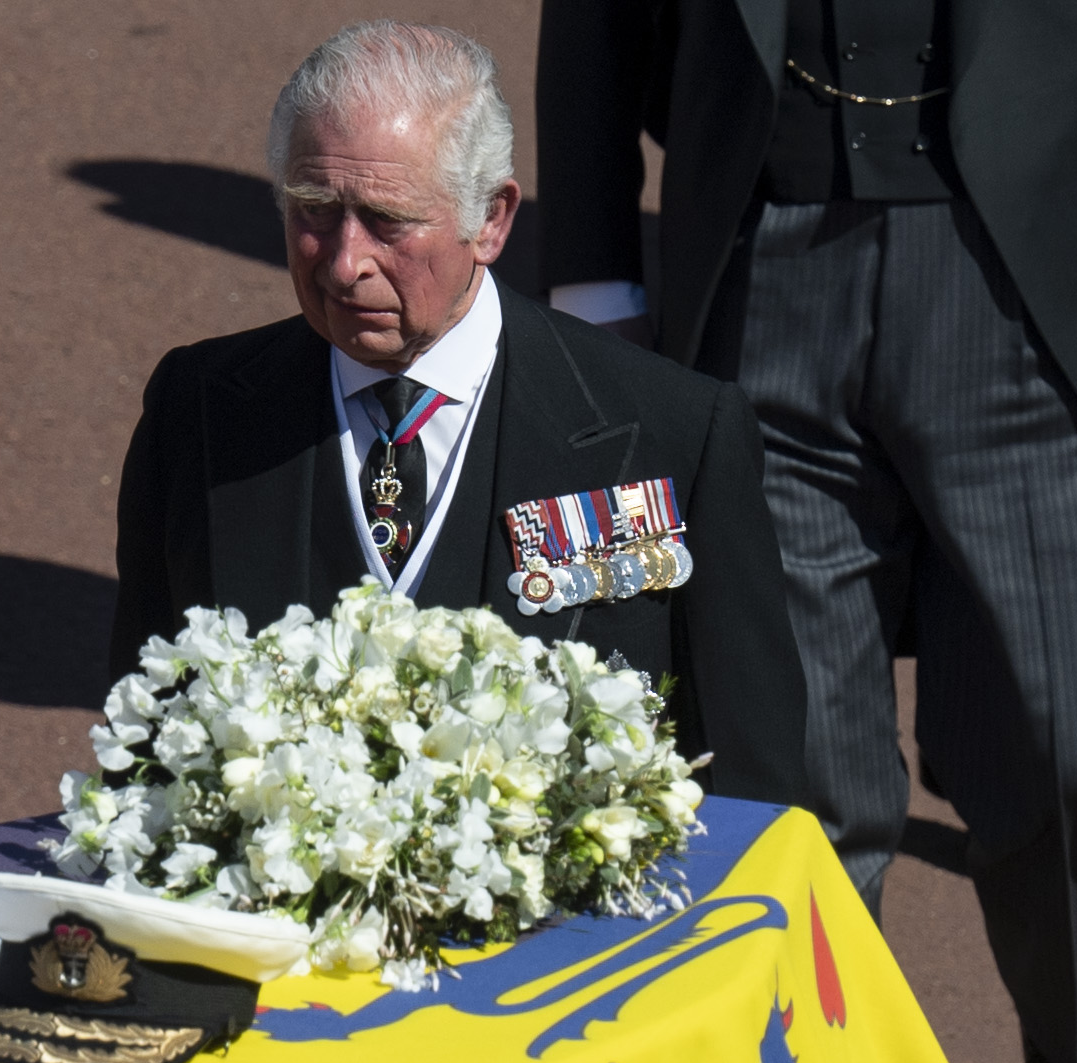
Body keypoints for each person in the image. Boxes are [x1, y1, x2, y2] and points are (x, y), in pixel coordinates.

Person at [534, 0, 1077, 1063]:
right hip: (756, 260)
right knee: (793, 774)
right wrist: (593, 265)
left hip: (1036, 278)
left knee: (1075, 750)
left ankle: (1075, 1029)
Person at [109, 20, 807, 808]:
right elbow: (145, 742)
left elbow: (753, 786)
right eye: (314, 210)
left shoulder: (672, 431)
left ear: (492, 221)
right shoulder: (199, 410)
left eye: (387, 219)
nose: (345, 261)